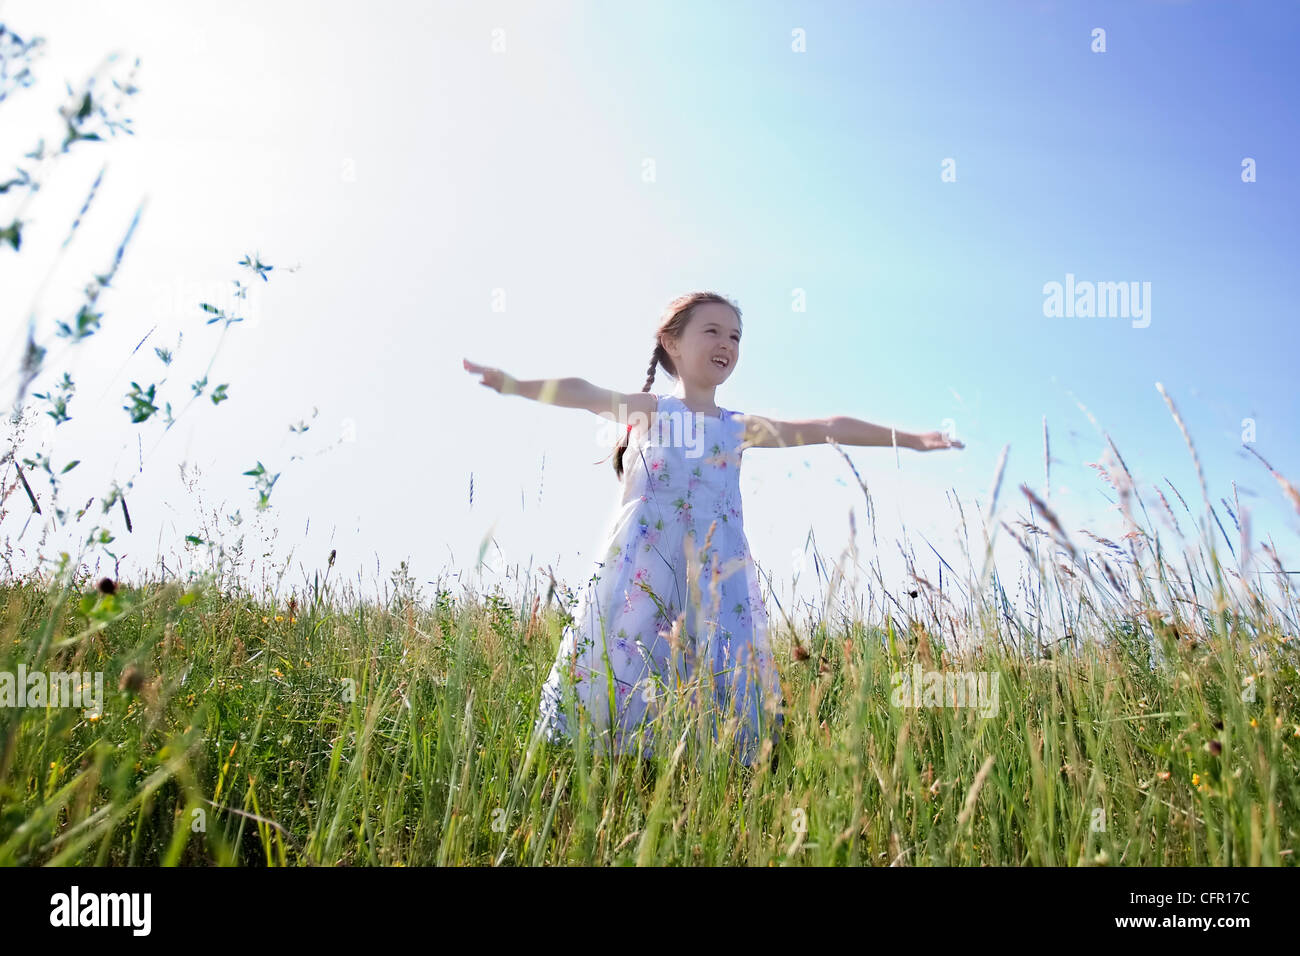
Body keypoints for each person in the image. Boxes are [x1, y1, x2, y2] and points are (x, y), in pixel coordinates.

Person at [462, 291, 963, 769]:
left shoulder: (738, 427)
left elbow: (824, 426)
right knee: (623, 669)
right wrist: (515, 384)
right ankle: (616, 778)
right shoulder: (653, 411)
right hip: (642, 573)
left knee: (712, 673)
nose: (727, 343)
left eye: (737, 336)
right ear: (672, 343)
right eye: (713, 331)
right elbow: (585, 393)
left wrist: (912, 440)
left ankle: (700, 779)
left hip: (716, 578)